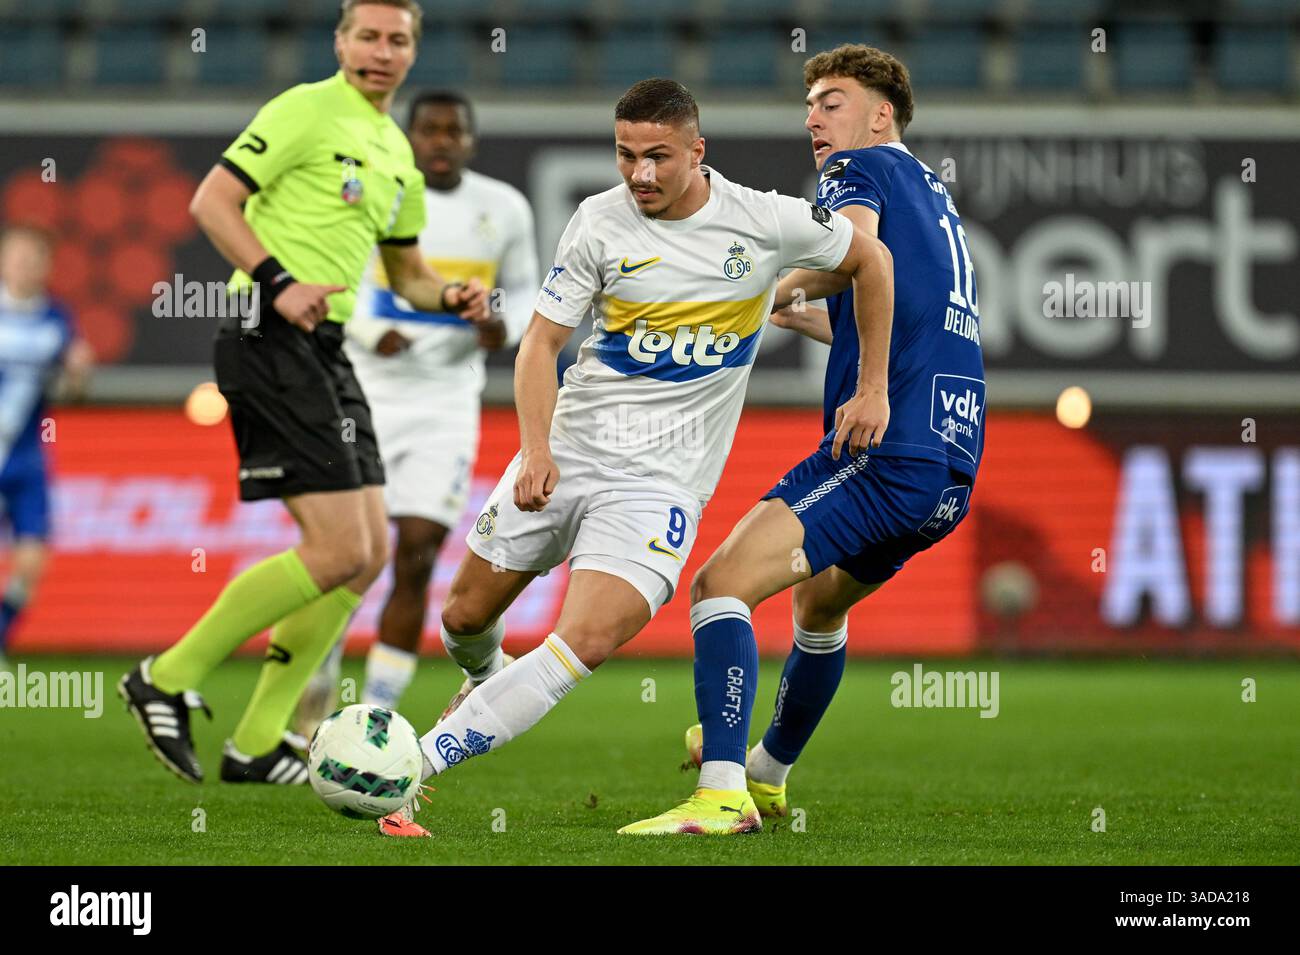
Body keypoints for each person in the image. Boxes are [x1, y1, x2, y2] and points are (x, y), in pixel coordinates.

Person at [371, 77, 893, 837]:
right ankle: (486, 677)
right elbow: (541, 343)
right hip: (570, 452)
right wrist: (537, 449)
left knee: (583, 638)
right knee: (461, 617)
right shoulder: (598, 222)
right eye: (625, 156)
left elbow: (870, 261)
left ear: (696, 151)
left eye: (658, 157)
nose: (640, 174)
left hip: (661, 484)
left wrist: (873, 382)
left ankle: (411, 768)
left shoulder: (765, 220)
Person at [118, 0, 489, 786]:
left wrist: (450, 296)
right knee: (337, 549)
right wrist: (277, 281)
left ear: (411, 52)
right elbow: (211, 202)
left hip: (326, 343)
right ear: (340, 42)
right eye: (367, 36)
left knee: (368, 555)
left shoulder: (394, 148)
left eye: (396, 39)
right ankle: (167, 675)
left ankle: (255, 744)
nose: (380, 51)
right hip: (264, 329)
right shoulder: (304, 108)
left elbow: (409, 275)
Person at [623, 45, 985, 835]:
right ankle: (769, 774)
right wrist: (820, 325)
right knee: (818, 609)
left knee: (719, 586)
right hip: (952, 467)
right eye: (810, 104)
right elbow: (913, 312)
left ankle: (719, 798)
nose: (814, 118)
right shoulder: (932, 192)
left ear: (881, 113)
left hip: (889, 451)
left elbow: (848, 254)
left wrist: (764, 287)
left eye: (832, 100)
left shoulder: (858, 169)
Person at [294, 90, 539, 735]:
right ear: (407, 137)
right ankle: (315, 681)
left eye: (452, 131)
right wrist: (375, 334)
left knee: (419, 552)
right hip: (366, 392)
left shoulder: (503, 207)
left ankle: (376, 712)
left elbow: (524, 292)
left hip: (447, 398)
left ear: (470, 140)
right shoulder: (379, 195)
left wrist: (497, 326)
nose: (440, 140)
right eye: (428, 130)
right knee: (351, 554)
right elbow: (339, 281)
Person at [0, 224, 92, 670]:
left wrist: (78, 372)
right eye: (17, 257)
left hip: (25, 455)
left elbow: (73, 391)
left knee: (32, 559)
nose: (24, 266)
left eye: (34, 258)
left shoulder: (56, 318)